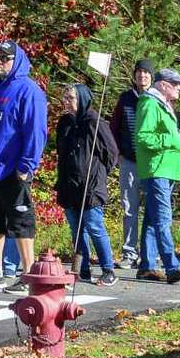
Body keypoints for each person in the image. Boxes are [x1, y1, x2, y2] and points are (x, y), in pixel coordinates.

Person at [0, 40, 48, 294]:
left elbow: (35, 131)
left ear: (16, 60)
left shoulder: (29, 90)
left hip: (13, 169)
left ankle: (28, 274)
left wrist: (26, 165)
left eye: (4, 58)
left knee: (20, 222)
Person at [134, 68, 180, 284]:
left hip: (165, 169)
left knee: (152, 220)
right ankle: (172, 266)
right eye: (176, 83)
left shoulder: (162, 104)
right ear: (162, 84)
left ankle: (147, 266)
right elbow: (143, 137)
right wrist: (169, 141)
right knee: (162, 219)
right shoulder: (150, 103)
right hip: (156, 169)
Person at [54, 83, 120, 285]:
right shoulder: (64, 122)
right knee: (76, 229)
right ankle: (80, 269)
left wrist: (98, 174)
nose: (66, 102)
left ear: (82, 99)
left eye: (71, 98)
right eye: (65, 98)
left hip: (90, 186)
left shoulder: (94, 121)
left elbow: (112, 153)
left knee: (94, 226)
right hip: (69, 183)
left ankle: (108, 269)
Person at [112, 59, 155, 267]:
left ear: (151, 76)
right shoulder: (125, 99)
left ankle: (149, 253)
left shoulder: (157, 98)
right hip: (128, 162)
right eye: (139, 73)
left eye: (146, 73)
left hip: (151, 164)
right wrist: (119, 154)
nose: (142, 76)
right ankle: (129, 252)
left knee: (152, 209)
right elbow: (114, 128)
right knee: (129, 208)